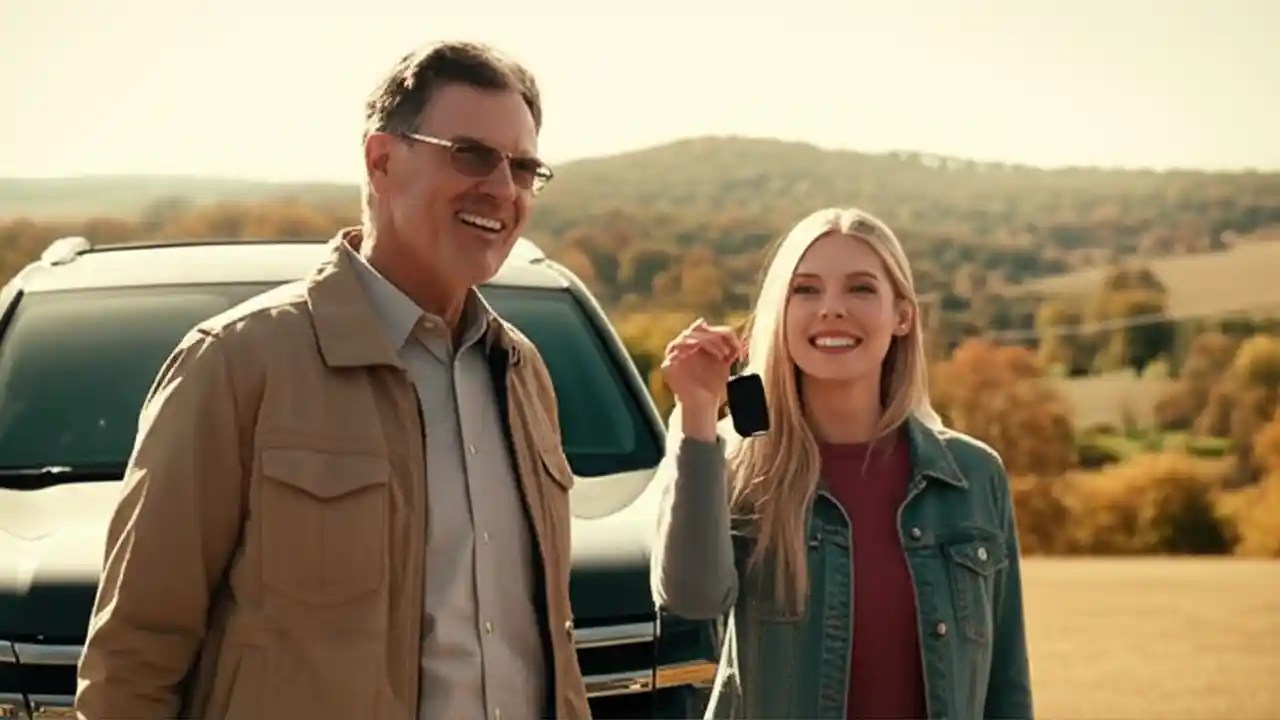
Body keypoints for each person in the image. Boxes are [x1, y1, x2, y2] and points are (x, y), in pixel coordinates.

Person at [75, 41, 590, 720]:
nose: (502, 188)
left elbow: (548, 647)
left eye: (524, 168)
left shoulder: (521, 372)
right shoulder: (237, 364)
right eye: (471, 155)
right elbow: (134, 657)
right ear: (381, 160)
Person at [650, 207, 1034, 719]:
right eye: (805, 290)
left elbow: (1007, 685)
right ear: (779, 315)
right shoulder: (738, 463)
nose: (831, 309)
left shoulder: (972, 475)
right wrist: (697, 410)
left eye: (860, 289)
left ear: (902, 315)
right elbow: (691, 600)